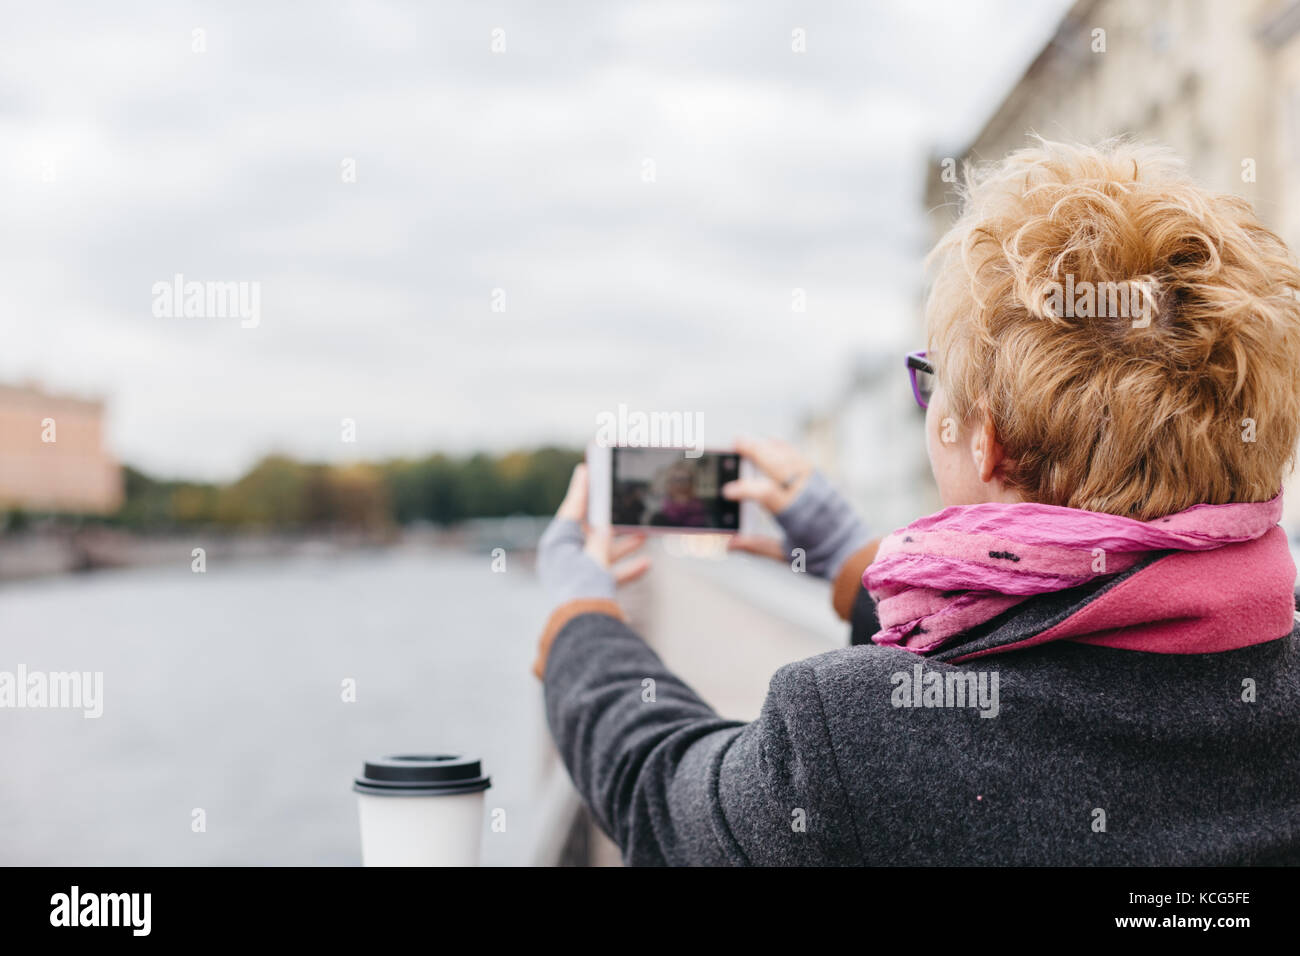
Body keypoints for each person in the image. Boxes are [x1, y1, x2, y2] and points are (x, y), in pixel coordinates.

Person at [531, 139, 1300, 865]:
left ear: (986, 444)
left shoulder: (849, 740)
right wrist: (854, 565)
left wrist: (581, 623)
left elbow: (663, 800)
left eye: (930, 383)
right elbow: (1069, 657)